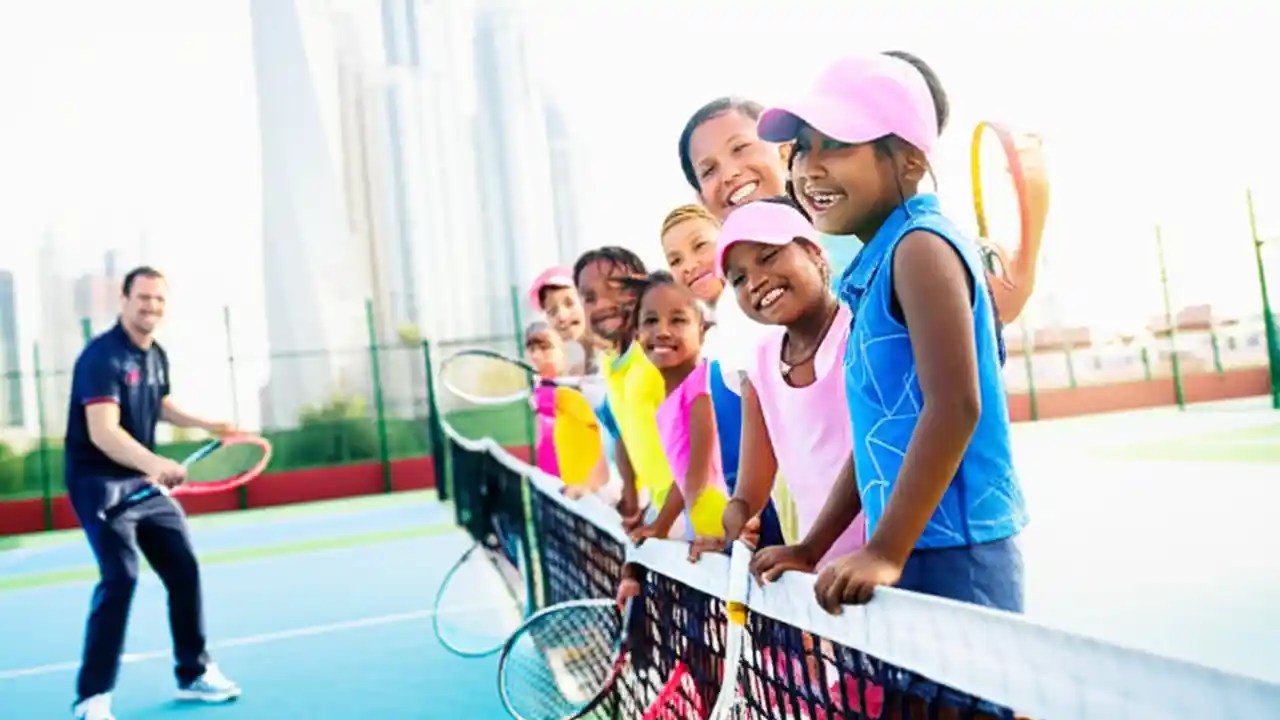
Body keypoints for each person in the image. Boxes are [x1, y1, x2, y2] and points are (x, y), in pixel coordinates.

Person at [750, 49, 1028, 612]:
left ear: (907, 160)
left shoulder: (921, 247)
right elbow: (878, 436)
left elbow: (955, 406)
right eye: (802, 147)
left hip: (957, 549)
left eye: (837, 144)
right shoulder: (877, 267)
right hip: (912, 545)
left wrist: (884, 549)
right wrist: (812, 548)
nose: (809, 167)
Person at [63, 267, 240, 720]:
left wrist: (207, 423)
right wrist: (155, 464)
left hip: (141, 482)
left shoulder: (155, 353)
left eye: (159, 299)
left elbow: (160, 401)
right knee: (120, 577)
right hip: (99, 485)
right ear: (124, 301)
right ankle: (92, 699)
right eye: (143, 298)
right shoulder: (100, 358)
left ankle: (194, 672)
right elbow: (103, 432)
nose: (151, 307)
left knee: (183, 566)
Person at [689, 197, 866, 568]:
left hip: (886, 564)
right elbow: (750, 491)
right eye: (738, 279)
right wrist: (734, 520)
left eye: (768, 256)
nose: (755, 281)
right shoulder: (761, 365)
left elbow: (871, 455)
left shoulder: (860, 333)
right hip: (818, 576)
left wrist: (810, 549)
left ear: (815, 252)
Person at [658, 204, 785, 548]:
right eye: (675, 260)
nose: (689, 265)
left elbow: (772, 423)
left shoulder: (746, 314)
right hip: (752, 508)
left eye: (700, 246)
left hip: (777, 504)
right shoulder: (715, 337)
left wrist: (751, 503)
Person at [627, 272, 730, 542]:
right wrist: (660, 524)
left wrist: (666, 527)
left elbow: (698, 473)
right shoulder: (674, 394)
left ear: (703, 330)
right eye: (651, 321)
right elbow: (683, 475)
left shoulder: (702, 390)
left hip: (718, 530)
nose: (662, 332)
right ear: (637, 335)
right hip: (701, 525)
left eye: (678, 320)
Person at [524, 321, 603, 490]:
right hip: (552, 484)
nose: (536, 356)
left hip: (586, 490)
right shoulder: (541, 390)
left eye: (545, 347)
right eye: (531, 349)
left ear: (565, 350)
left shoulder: (579, 393)